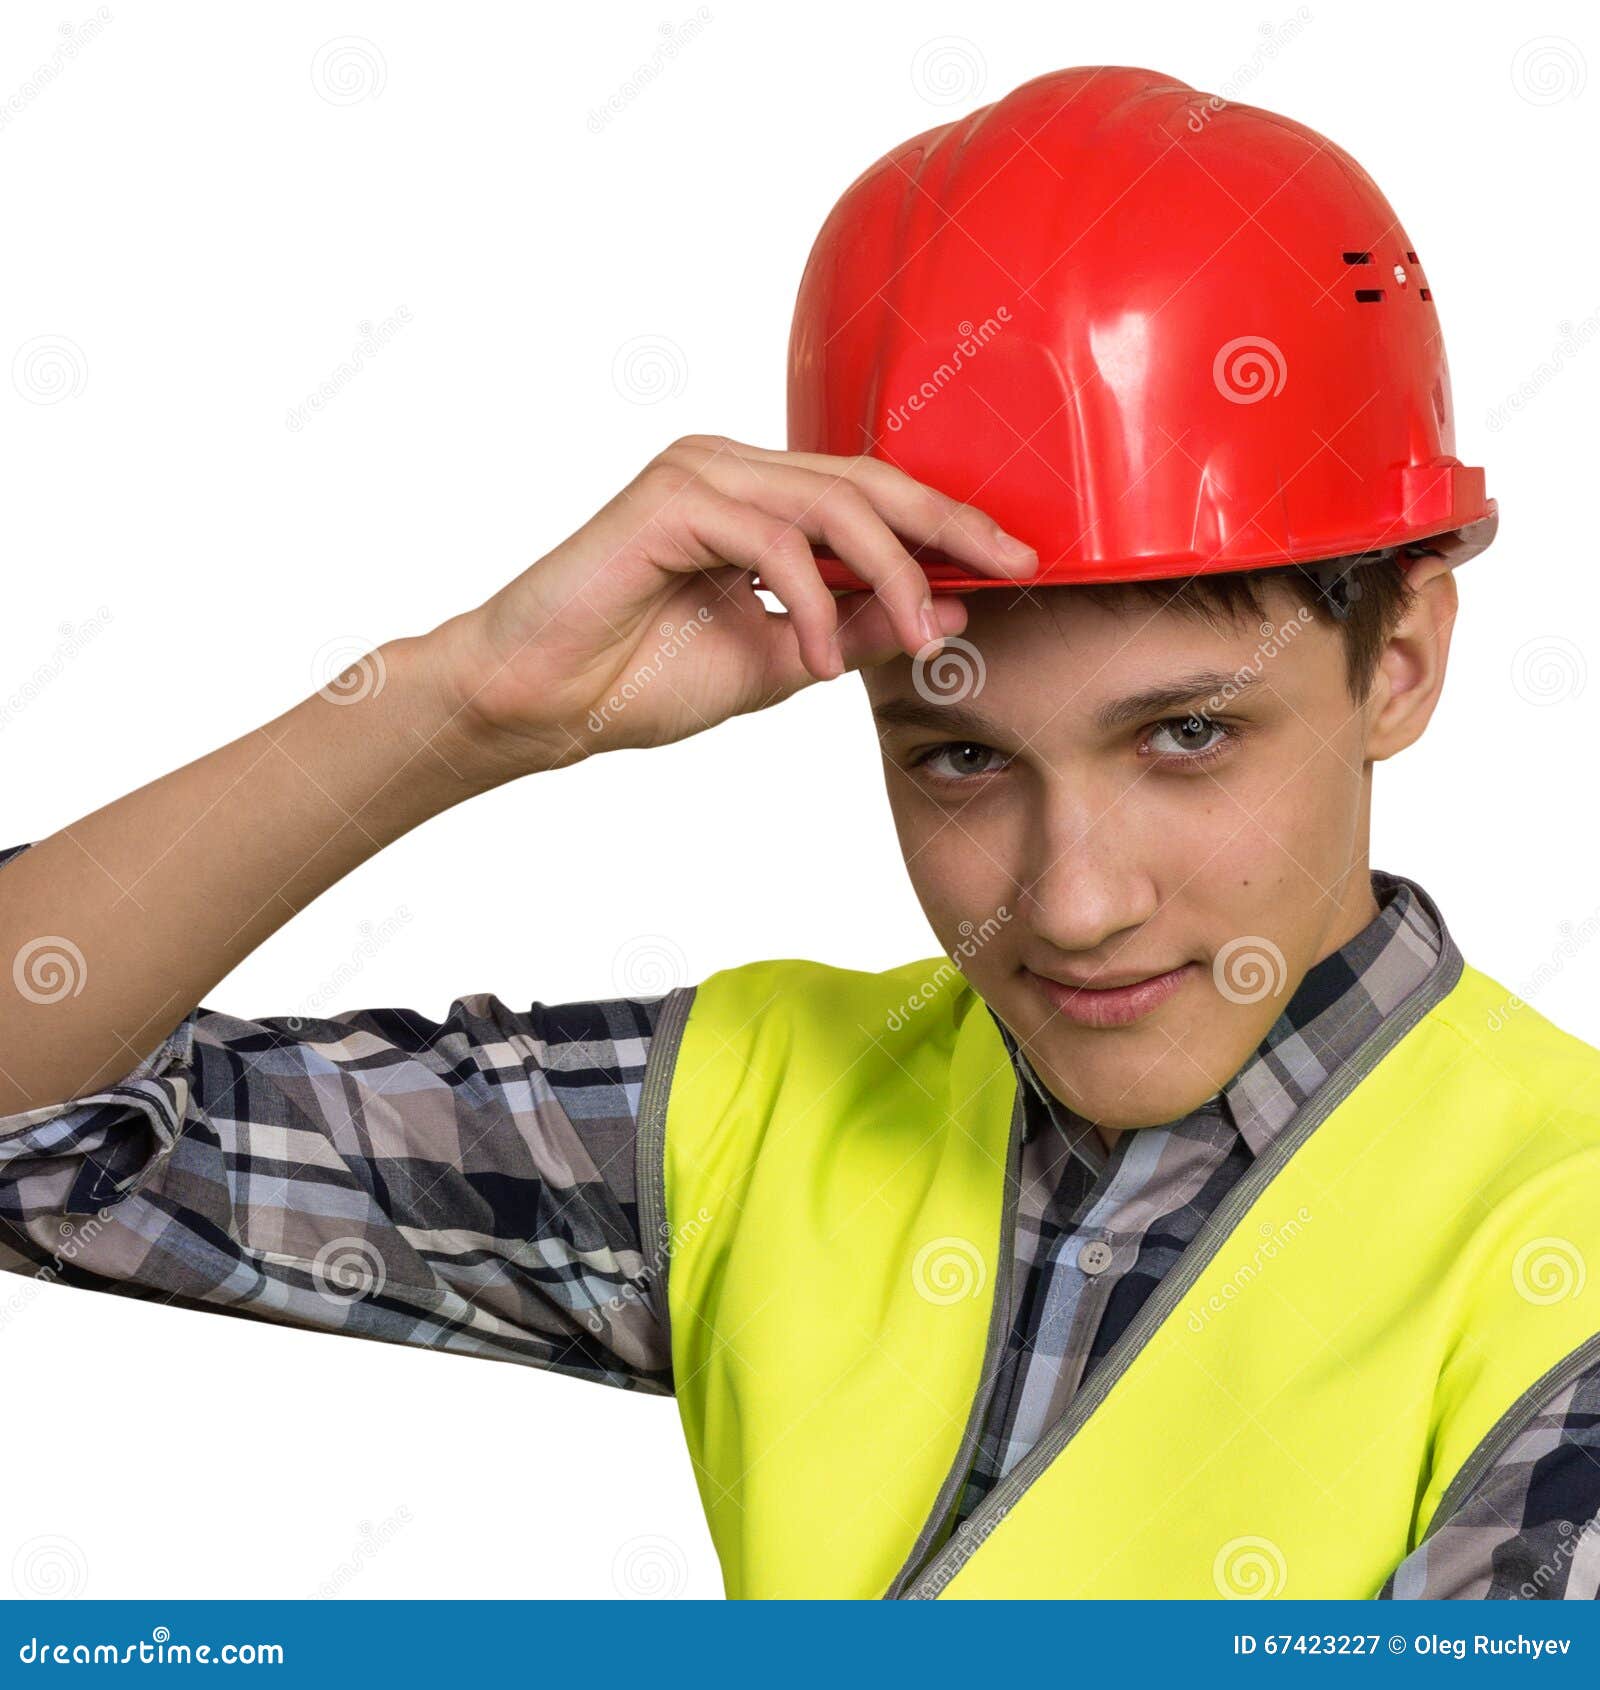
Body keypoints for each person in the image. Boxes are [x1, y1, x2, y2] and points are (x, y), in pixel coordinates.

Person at [3, 65, 1599, 1602]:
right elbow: (37, 1137)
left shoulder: (1564, 1237)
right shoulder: (759, 1111)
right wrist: (464, 703)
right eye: (960, 757)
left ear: (1397, 659)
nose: (1079, 901)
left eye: (1188, 735)